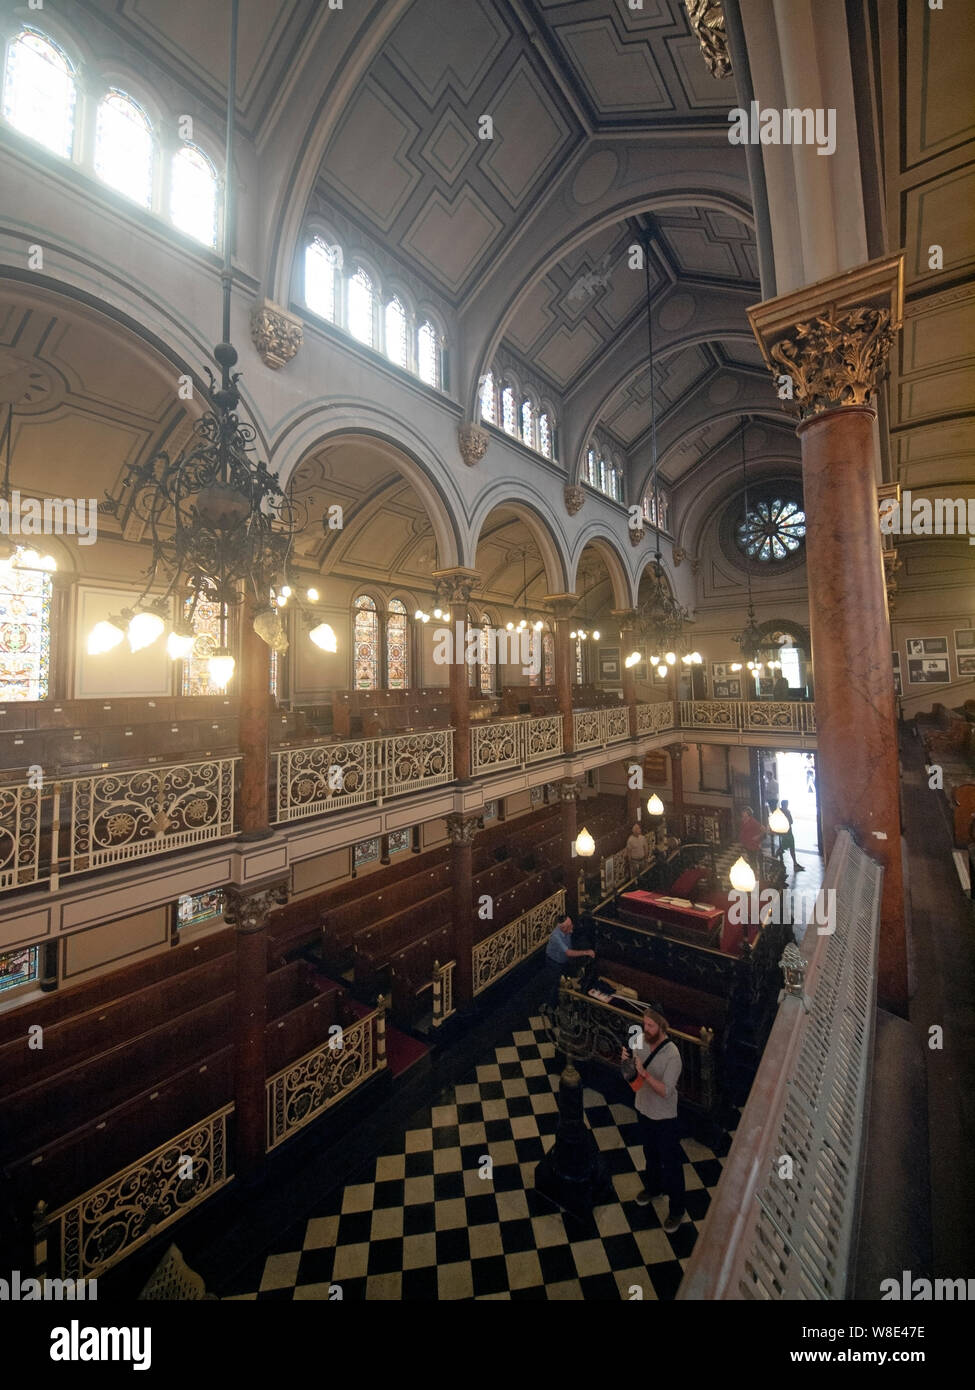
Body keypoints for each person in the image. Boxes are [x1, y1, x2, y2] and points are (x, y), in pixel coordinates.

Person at [621, 1010, 685, 1232]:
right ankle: (653, 1188)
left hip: (664, 1117)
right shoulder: (640, 1040)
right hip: (643, 1108)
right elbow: (633, 1072)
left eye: (650, 1026)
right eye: (644, 1024)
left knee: (672, 1163)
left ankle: (677, 1210)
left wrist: (645, 1074)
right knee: (650, 1153)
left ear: (662, 1026)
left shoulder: (673, 1055)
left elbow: (666, 1092)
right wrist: (627, 1062)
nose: (645, 1029)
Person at [542, 914, 594, 1008]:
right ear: (563, 928)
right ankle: (550, 1007)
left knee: (566, 979)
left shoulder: (567, 930)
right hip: (554, 963)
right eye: (570, 926)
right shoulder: (556, 937)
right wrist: (586, 952)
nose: (572, 927)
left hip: (563, 961)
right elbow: (568, 952)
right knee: (553, 984)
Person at [778, 799, 804, 872]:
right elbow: (791, 821)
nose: (787, 805)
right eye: (787, 804)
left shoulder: (781, 812)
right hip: (786, 833)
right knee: (787, 848)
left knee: (783, 848)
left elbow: (791, 821)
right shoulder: (785, 812)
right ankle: (791, 864)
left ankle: (793, 864)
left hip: (785, 832)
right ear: (785, 804)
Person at [739, 805, 764, 873]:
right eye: (742, 815)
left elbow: (763, 829)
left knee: (753, 861)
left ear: (749, 815)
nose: (743, 817)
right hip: (746, 844)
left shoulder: (753, 821)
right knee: (748, 860)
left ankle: (755, 875)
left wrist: (758, 836)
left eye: (745, 816)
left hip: (752, 845)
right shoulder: (743, 821)